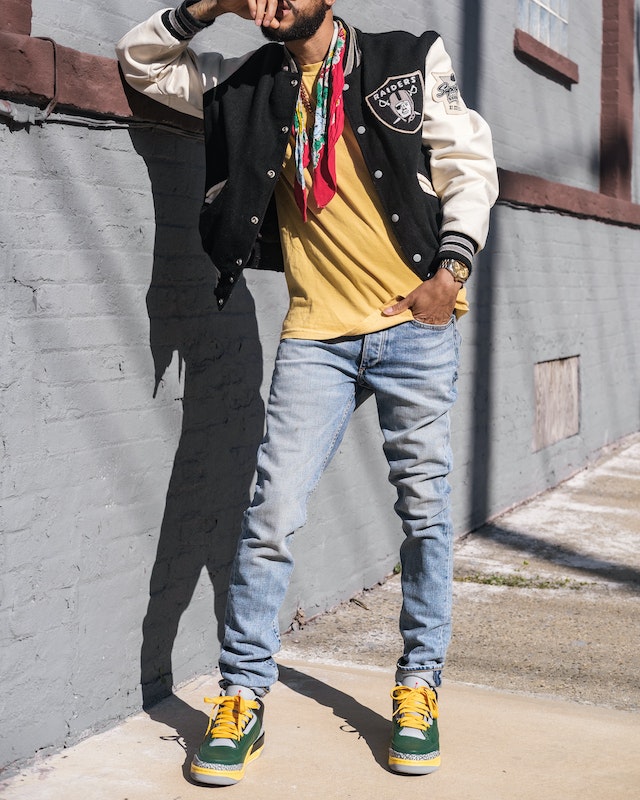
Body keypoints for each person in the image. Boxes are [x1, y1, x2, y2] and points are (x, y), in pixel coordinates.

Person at [117, 0, 498, 786]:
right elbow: (141, 62)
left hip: (414, 326)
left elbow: (470, 164)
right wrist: (208, 6)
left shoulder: (405, 57)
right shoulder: (245, 84)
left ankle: (418, 685)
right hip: (316, 334)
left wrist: (450, 273)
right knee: (271, 514)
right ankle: (243, 695)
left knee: (424, 512)